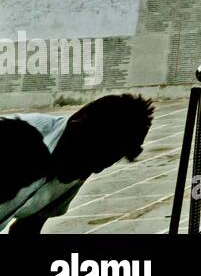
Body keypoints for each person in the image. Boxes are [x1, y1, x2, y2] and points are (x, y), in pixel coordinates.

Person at [0, 94, 154, 233]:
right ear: (75, 126)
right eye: (93, 159)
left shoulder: (78, 168)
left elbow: (27, 227)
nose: (96, 170)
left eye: (106, 163)